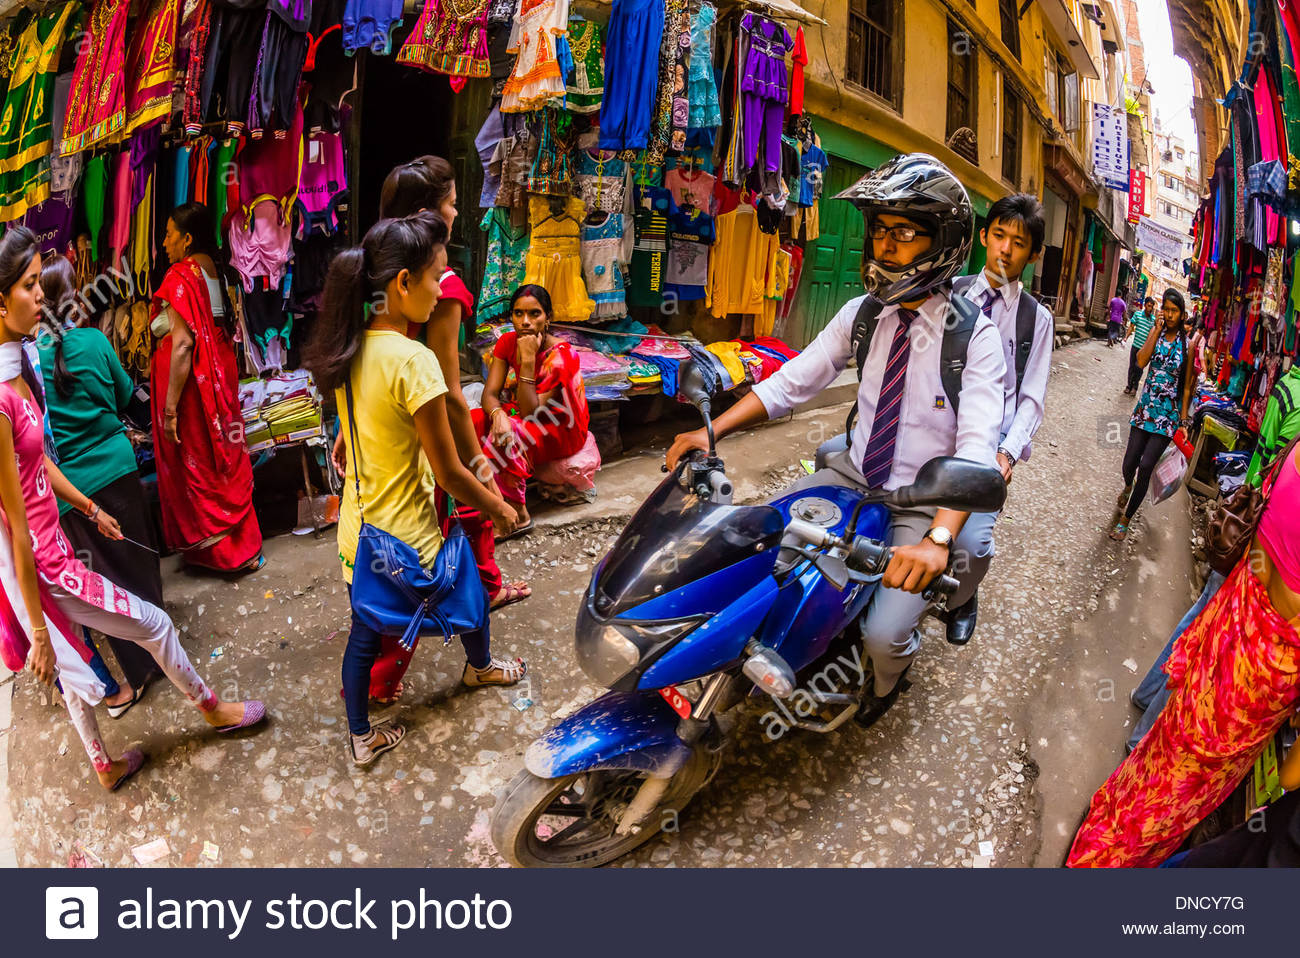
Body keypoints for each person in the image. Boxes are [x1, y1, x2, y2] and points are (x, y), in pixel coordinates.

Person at [667, 153, 1005, 729]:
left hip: (921, 502)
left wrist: (937, 540)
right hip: (853, 474)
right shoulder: (862, 314)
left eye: (903, 233)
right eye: (879, 231)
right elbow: (793, 382)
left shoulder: (975, 337)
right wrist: (710, 429)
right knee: (755, 547)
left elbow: (976, 450)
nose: (884, 246)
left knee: (883, 634)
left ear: (942, 242)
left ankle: (885, 684)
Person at [0, 227, 265, 791]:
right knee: (156, 622)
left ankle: (103, 765)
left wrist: (90, 510)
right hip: (49, 564)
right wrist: (39, 633)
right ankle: (212, 708)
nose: (42, 297)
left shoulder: (20, 371)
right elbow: (15, 525)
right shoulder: (2, 398)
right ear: (1, 301)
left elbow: (37, 469)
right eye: (29, 286)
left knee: (76, 672)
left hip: (60, 545)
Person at [303, 211, 527, 767]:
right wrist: (500, 508)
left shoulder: (350, 348)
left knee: (363, 635)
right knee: (470, 589)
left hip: (359, 531)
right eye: (436, 277)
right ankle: (479, 668)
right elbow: (450, 473)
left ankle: (360, 738)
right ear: (402, 283)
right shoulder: (415, 361)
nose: (441, 290)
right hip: (408, 541)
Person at [343, 156, 531, 706]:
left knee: (425, 567)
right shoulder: (440, 289)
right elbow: (449, 393)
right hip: (421, 445)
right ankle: (381, 683)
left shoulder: (372, 283)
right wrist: (482, 476)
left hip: (387, 443)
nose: (457, 211)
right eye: (451, 202)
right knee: (420, 573)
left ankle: (468, 656)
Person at [1068, 441, 1300, 867]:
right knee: (1185, 782)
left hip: (1229, 625)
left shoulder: (1296, 448)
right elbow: (1292, 775)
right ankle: (1114, 858)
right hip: (1258, 682)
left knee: (1168, 744)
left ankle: (1108, 825)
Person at [37, 256, 164, 714]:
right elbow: (129, 397)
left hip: (73, 493)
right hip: (119, 469)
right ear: (73, 297)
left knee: (105, 584)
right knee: (140, 563)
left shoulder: (31, 363)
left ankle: (137, 672)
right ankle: (161, 652)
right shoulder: (92, 341)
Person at [945, 193, 1054, 645]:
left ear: (1033, 254)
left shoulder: (1036, 319)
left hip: (987, 451)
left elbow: (1031, 399)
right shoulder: (950, 292)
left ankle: (962, 595)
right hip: (934, 433)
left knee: (971, 547)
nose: (1005, 250)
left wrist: (1006, 454)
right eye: (999, 235)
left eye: (1019, 242)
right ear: (985, 236)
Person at [151, 202, 265, 574]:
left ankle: (223, 554)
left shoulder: (182, 275)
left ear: (186, 239)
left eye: (168, 234)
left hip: (195, 393)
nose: (163, 242)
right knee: (223, 457)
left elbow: (183, 344)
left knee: (201, 462)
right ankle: (242, 546)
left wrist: (169, 410)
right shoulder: (214, 269)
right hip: (218, 377)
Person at [474, 284, 591, 534]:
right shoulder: (507, 342)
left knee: (507, 435)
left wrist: (527, 361)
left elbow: (532, 414)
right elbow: (490, 394)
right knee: (473, 420)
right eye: (518, 314)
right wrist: (498, 414)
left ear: (548, 318)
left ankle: (519, 514)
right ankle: (480, 497)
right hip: (521, 412)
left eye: (534, 314)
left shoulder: (561, 356)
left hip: (559, 427)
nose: (525, 322)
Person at [1110, 289, 1194, 541]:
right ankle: (1128, 485)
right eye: (1166, 309)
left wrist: (1183, 421)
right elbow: (1140, 361)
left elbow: (1187, 386)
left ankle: (1126, 520)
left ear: (1181, 315)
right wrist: (1155, 332)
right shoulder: (1156, 336)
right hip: (1145, 409)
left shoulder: (1187, 347)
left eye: (1174, 311)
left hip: (1166, 417)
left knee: (1146, 466)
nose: (1169, 315)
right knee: (1129, 464)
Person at [1124, 296, 1157, 395]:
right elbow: (1131, 327)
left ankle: (1135, 387)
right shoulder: (1138, 315)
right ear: (1145, 305)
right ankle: (1129, 386)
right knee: (1132, 367)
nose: (1150, 309)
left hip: (1144, 349)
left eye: (1151, 307)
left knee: (1139, 368)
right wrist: (1126, 337)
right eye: (1148, 306)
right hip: (1135, 346)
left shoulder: (1153, 320)